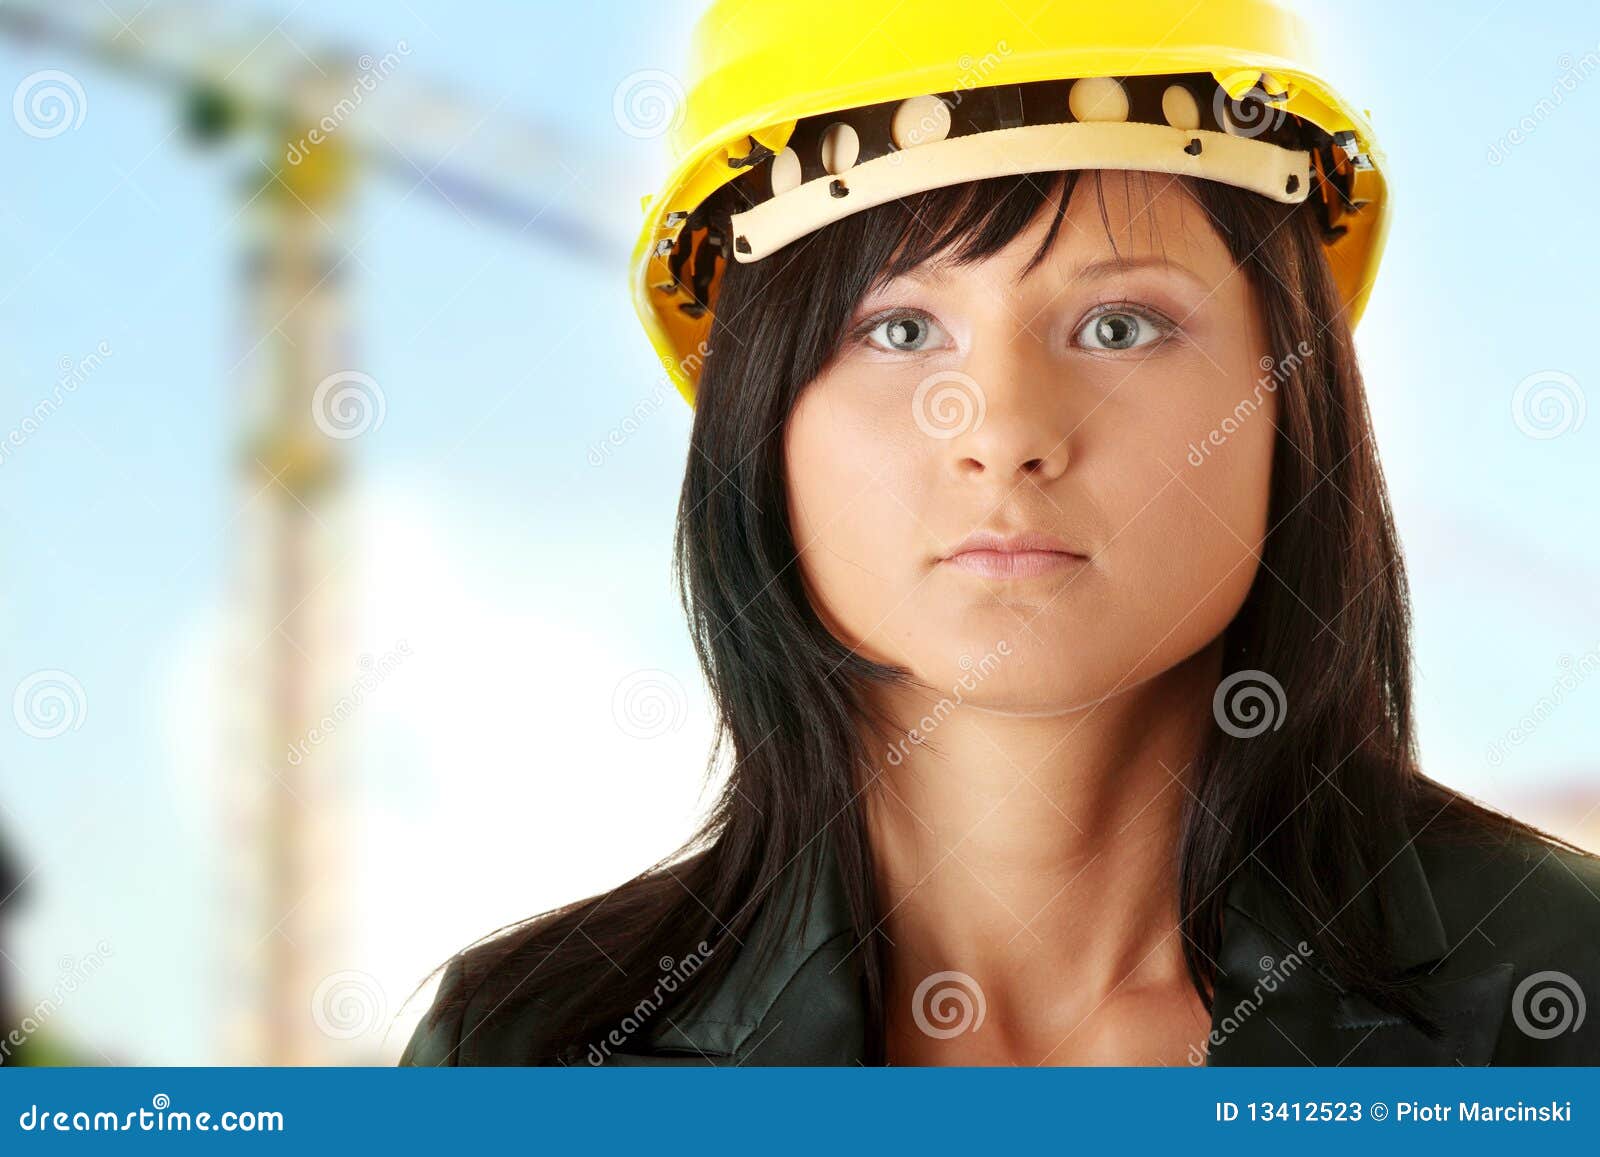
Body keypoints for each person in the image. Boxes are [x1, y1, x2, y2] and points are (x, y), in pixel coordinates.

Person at [401, 0, 1600, 1066]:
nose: (1004, 433)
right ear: (756, 423)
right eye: (900, 329)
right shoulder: (526, 1055)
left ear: (1290, 392)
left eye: (1120, 324)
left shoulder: (1562, 1000)